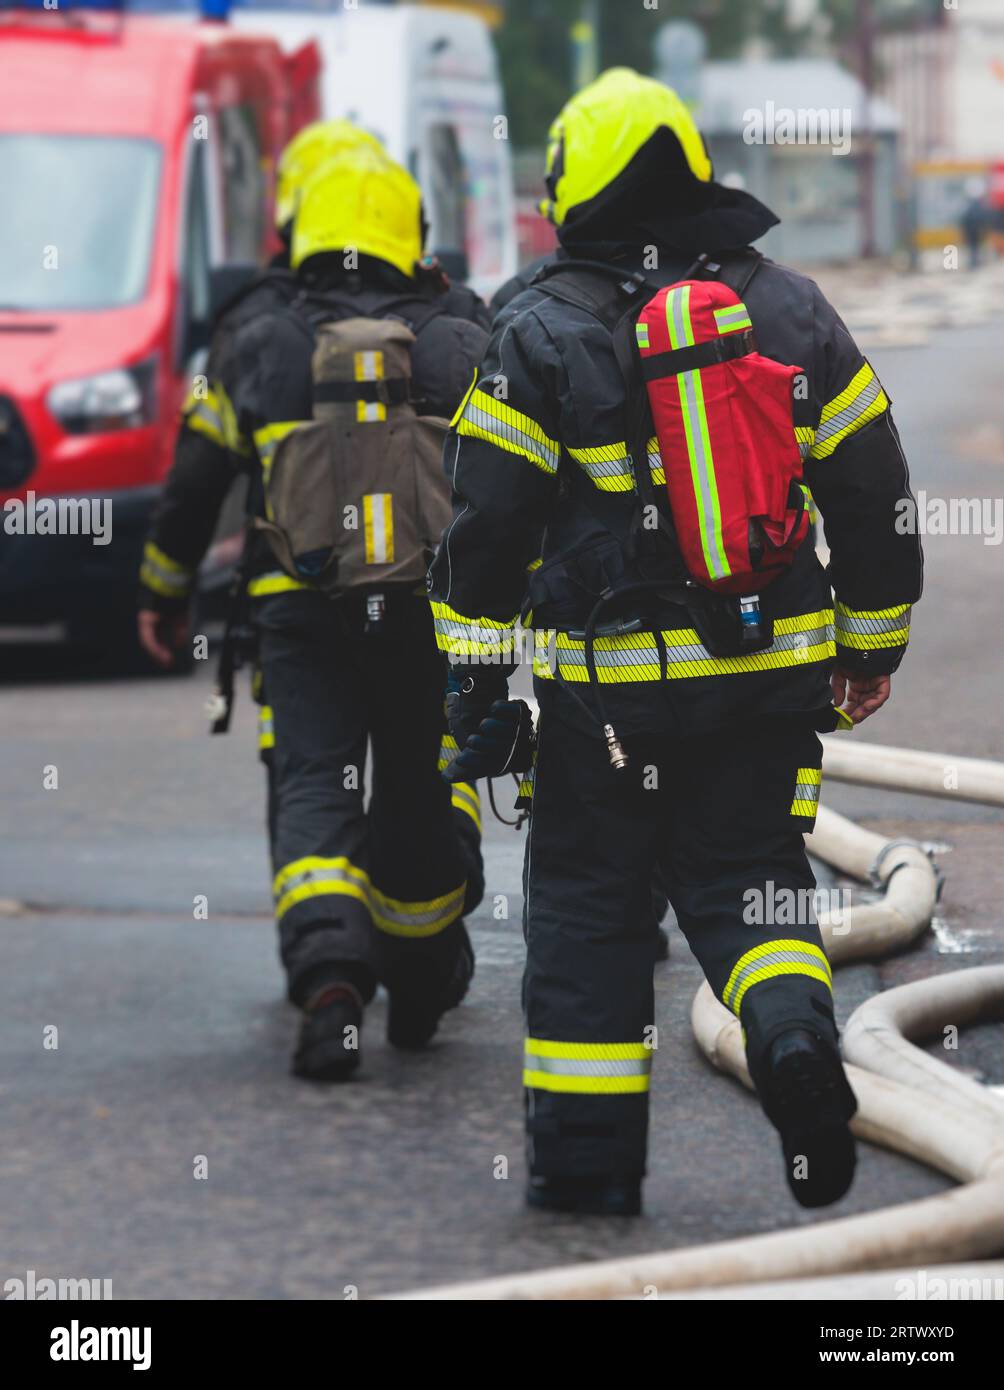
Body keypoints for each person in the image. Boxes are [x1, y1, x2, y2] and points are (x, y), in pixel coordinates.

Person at [430, 69, 923, 1216]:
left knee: (588, 920)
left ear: (580, 191)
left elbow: (486, 527)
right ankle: (796, 1046)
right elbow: (872, 490)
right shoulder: (790, 309)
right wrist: (870, 644)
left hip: (605, 717)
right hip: (763, 694)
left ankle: (588, 1170)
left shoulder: (536, 331)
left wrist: (471, 676)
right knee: (753, 890)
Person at [204, 146, 488, 1080]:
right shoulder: (456, 332)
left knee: (316, 779)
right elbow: (510, 482)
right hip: (426, 616)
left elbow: (193, 478)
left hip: (301, 611)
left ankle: (331, 979)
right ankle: (421, 976)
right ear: (411, 232)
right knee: (419, 780)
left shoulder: (258, 333)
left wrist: (165, 592)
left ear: (300, 226)